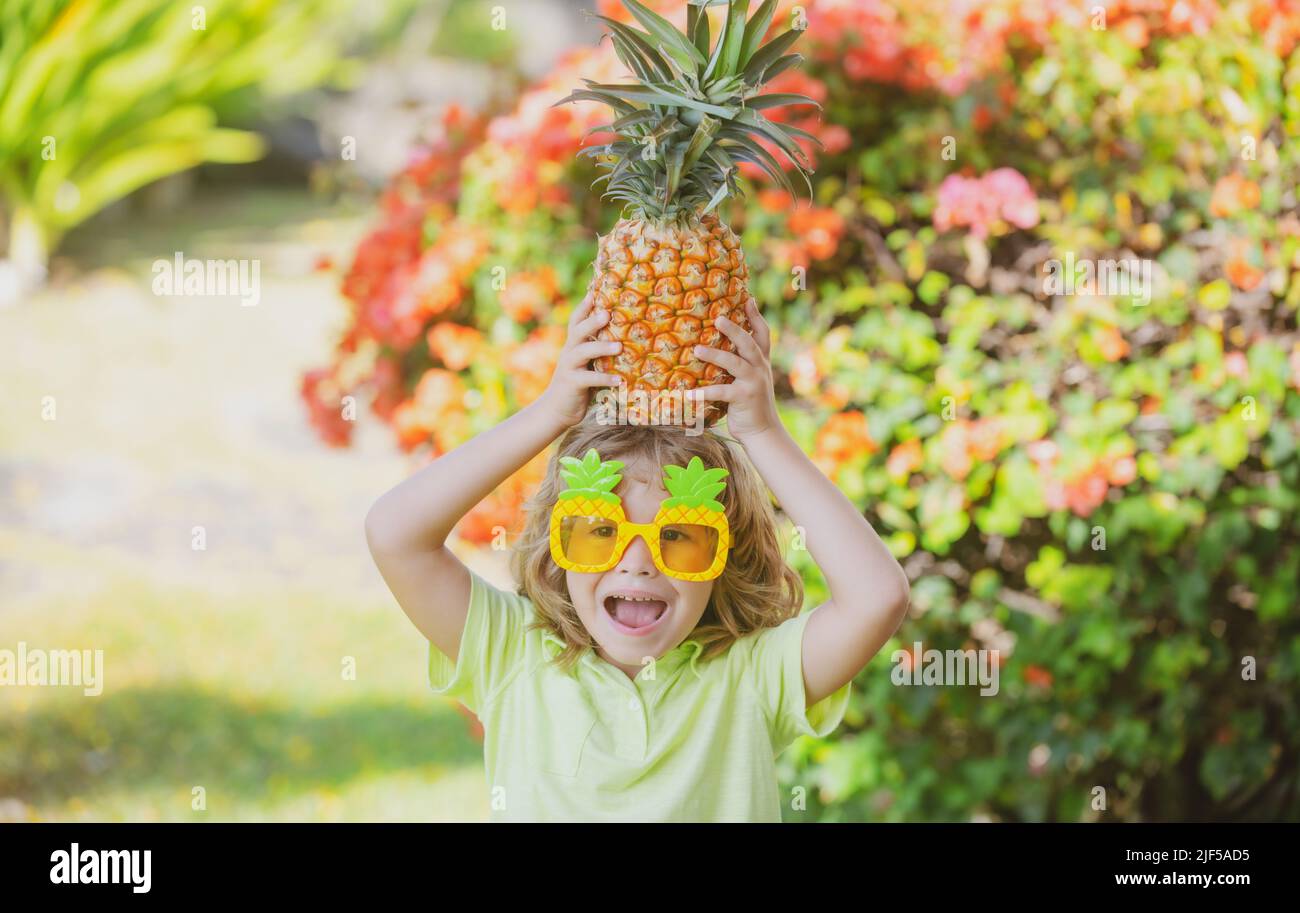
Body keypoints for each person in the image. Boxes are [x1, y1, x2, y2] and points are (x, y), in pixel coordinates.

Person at [365, 294, 910, 821]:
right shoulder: (512, 655)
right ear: (558, 551)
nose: (637, 562)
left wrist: (762, 432)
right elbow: (395, 533)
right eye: (600, 530)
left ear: (726, 556)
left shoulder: (751, 679)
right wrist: (550, 414)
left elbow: (877, 598)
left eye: (679, 536)